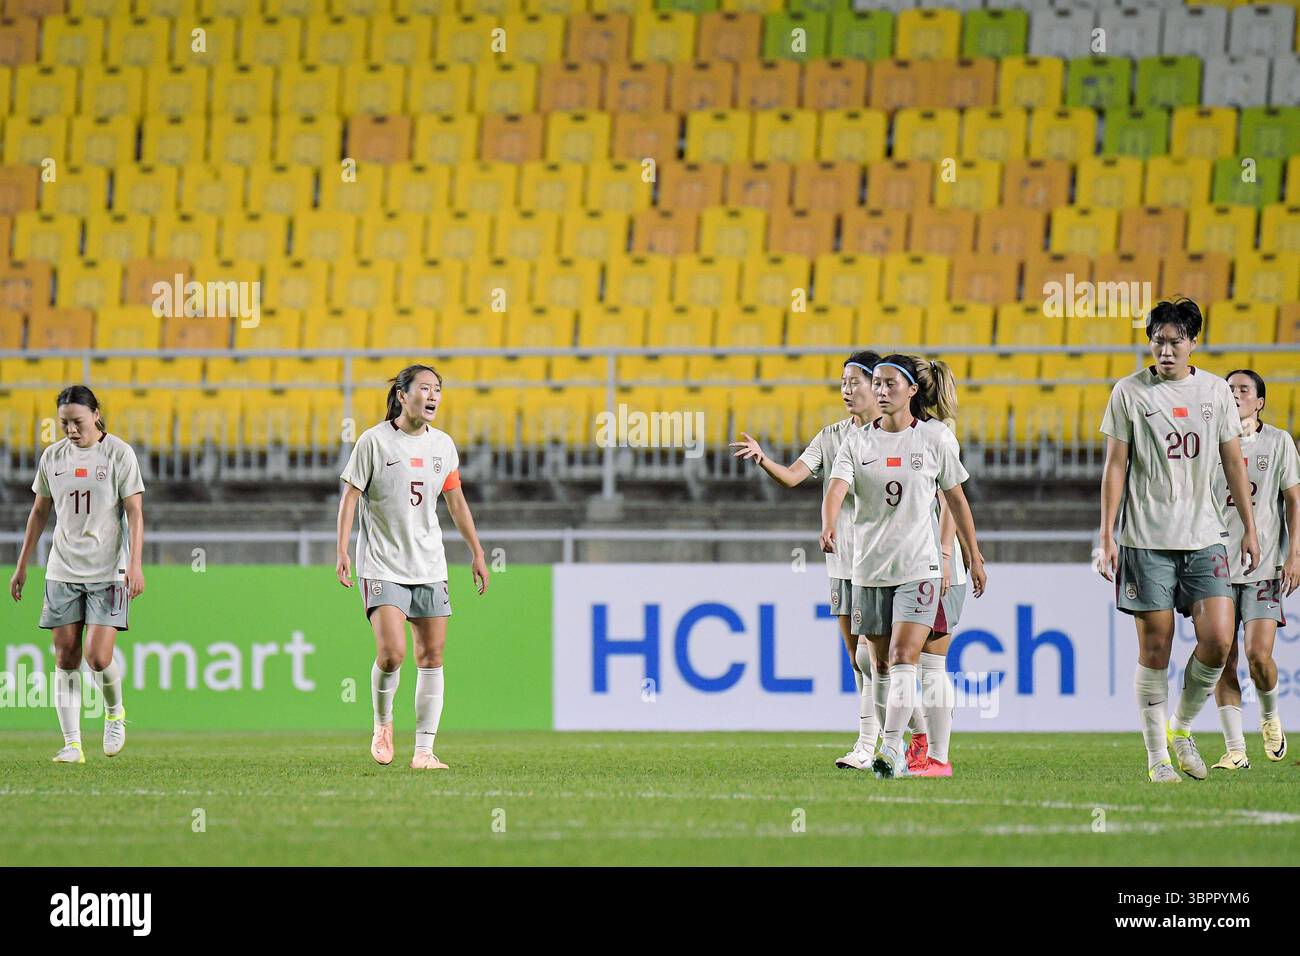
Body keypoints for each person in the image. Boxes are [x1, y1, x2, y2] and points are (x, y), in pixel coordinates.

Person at [1098, 297, 1260, 783]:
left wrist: (1249, 528)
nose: (1165, 351)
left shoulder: (1215, 393)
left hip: (1206, 535)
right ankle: (1157, 760)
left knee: (1217, 640)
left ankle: (1181, 727)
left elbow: (1234, 462)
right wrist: (1105, 534)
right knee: (1156, 649)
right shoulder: (1129, 392)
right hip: (1145, 538)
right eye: (1157, 341)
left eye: (1175, 342)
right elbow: (1115, 466)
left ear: (1193, 342)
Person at [821, 354, 987, 779]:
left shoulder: (935, 438)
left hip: (922, 567)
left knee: (907, 660)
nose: (879, 390)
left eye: (889, 383)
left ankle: (903, 751)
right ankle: (913, 747)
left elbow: (956, 500)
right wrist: (828, 524)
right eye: (875, 383)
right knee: (874, 665)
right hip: (870, 569)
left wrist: (969, 553)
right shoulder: (857, 441)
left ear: (913, 390)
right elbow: (836, 486)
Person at [730, 351, 883, 769]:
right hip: (841, 563)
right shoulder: (832, 436)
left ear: (878, 386)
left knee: (874, 656)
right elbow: (796, 476)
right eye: (843, 382)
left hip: (881, 562)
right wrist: (764, 460)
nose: (848, 389)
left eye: (856, 381)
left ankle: (870, 745)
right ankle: (894, 738)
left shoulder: (894, 436)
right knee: (859, 659)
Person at [336, 364, 489, 771]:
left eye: (438, 388)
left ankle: (424, 751)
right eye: (425, 388)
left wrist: (476, 550)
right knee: (391, 654)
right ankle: (382, 724)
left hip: (430, 565)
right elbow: (350, 497)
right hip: (382, 563)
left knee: (432, 655)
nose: (434, 395)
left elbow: (455, 502)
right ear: (403, 396)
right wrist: (342, 550)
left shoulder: (443, 445)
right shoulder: (374, 441)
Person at [9, 385, 145, 763]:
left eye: (78, 422)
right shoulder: (52, 457)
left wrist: (135, 563)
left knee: (97, 657)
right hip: (62, 570)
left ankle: (115, 714)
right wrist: (23, 565)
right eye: (64, 422)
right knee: (66, 657)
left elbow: (134, 512)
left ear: (96, 415)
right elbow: (39, 513)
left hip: (108, 571)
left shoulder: (119, 454)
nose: (71, 429)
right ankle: (72, 744)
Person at [1208, 369, 1298, 770]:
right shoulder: (1209, 442)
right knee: (1222, 658)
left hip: (1263, 567)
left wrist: (1294, 554)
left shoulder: (1278, 442)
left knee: (1258, 656)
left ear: (1259, 401)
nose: (1235, 393)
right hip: (1215, 566)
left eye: (1243, 389)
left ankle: (1269, 717)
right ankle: (1235, 749)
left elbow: (1294, 500)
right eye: (1229, 389)